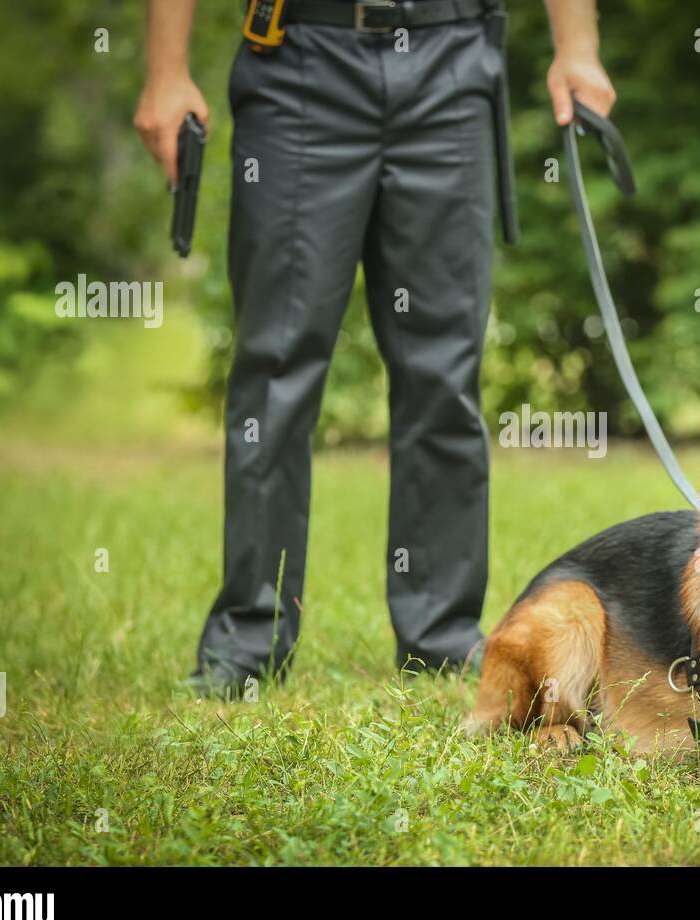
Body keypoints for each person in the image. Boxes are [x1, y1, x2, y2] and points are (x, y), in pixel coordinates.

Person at [134, 0, 615, 695]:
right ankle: (246, 639)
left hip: (452, 60)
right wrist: (166, 71)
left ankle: (441, 636)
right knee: (275, 369)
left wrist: (577, 47)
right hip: (298, 57)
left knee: (443, 373)